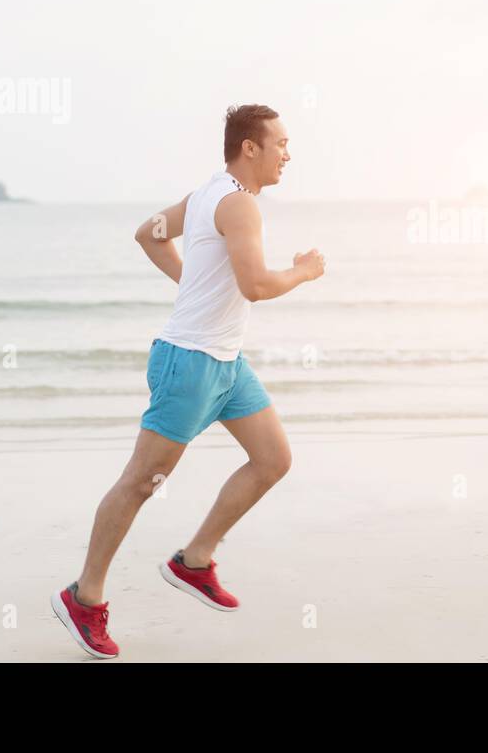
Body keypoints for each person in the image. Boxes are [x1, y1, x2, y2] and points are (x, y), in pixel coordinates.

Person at [51, 104, 325, 659]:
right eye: (281, 144)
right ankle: (84, 597)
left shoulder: (206, 195)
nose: (288, 154)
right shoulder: (239, 205)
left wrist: (190, 281)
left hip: (226, 364)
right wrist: (304, 270)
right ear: (250, 147)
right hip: (189, 364)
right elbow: (255, 286)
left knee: (273, 460)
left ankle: (193, 560)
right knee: (140, 483)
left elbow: (147, 234)